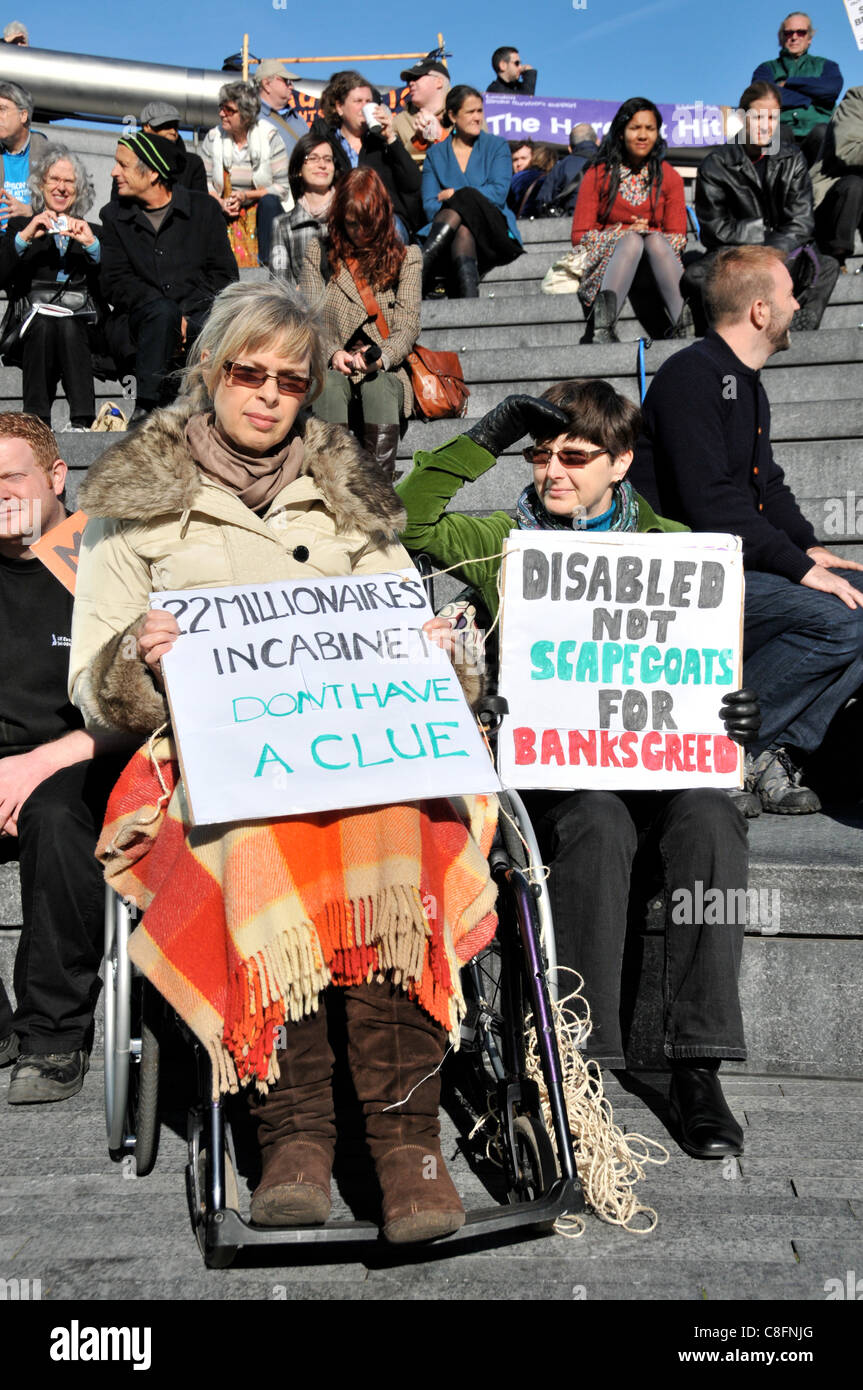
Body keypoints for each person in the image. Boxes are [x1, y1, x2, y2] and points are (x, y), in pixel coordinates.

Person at [68, 280, 498, 1242]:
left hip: (358, 755)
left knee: (398, 828)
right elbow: (92, 687)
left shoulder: (350, 496)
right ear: (209, 370)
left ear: (311, 392)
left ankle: (404, 1143)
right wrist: (135, 657)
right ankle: (292, 1135)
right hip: (214, 764)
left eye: (290, 381)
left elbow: (413, 634)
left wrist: (444, 651)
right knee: (254, 838)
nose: (267, 395)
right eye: (247, 373)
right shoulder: (134, 506)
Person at [397, 383, 759, 1159]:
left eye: (574, 457)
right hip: (560, 780)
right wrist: (486, 437)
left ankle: (696, 1065)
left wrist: (732, 710)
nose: (551, 471)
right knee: (597, 818)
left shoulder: (674, 545)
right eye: (540, 456)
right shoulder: (503, 539)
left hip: (658, 768)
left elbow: (704, 661)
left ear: (620, 463)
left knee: (711, 817)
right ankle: (576, 1055)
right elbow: (408, 518)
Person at [634, 245, 863, 814]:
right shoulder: (692, 376)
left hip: (732, 566)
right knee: (840, 618)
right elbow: (712, 506)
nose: (798, 304)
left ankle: (772, 750)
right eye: (789, 295)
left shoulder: (744, 382)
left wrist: (810, 548)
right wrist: (799, 568)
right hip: (686, 579)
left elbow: (768, 487)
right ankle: (719, 742)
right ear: (760, 310)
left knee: (859, 600)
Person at [0, 414, 132, 1103]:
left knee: (56, 819)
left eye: (11, 477)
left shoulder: (104, 560)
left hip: (86, 752)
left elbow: (140, 707)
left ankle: (53, 1036)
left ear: (56, 477)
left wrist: (36, 766)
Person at [100, 130, 238, 421]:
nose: (113, 172)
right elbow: (116, 282)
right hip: (140, 321)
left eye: (123, 165)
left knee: (213, 325)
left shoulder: (203, 210)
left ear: (152, 173)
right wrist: (171, 315)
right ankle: (145, 409)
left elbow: (223, 276)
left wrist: (185, 317)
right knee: (161, 314)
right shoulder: (113, 216)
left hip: (199, 318)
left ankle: (213, 412)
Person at [299, 167, 421, 482]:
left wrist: (380, 357)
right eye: (351, 223)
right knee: (329, 384)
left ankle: (378, 487)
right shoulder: (319, 253)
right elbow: (310, 317)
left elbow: (407, 326)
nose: (359, 232)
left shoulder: (406, 257)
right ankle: (332, 482)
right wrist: (332, 352)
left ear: (380, 218)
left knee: (378, 385)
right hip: (332, 364)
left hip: (384, 368)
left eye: (366, 223)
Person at [686, 82, 838, 334]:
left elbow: (801, 222)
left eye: (772, 117)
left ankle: (796, 325)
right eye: (757, 117)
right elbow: (715, 230)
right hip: (737, 256)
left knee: (827, 266)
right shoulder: (715, 165)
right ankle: (737, 329)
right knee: (696, 276)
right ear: (742, 118)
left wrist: (772, 251)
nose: (765, 126)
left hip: (783, 254)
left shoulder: (792, 159)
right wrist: (762, 237)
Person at [0, 144, 104, 430]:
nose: (61, 187)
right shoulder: (21, 225)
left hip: (81, 325)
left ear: (78, 190)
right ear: (41, 185)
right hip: (32, 324)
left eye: (68, 181)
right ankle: (36, 422)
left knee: (68, 325)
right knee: (45, 325)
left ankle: (82, 421)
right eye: (54, 179)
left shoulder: (93, 232)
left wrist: (92, 247)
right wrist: (24, 237)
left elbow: (111, 287)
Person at [571, 96, 687, 342]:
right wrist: (623, 233)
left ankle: (685, 329)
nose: (643, 135)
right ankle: (603, 329)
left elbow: (678, 238)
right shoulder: (597, 174)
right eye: (635, 128)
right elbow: (580, 236)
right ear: (621, 132)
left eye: (650, 128)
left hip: (656, 265)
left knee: (654, 241)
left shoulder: (670, 177)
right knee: (632, 241)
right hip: (612, 262)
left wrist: (648, 234)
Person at [420, 85, 524, 299]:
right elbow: (429, 206)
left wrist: (454, 194)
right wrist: (461, 201)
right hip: (449, 237)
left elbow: (498, 193)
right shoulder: (436, 154)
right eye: (470, 112)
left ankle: (420, 266)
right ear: (452, 115)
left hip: (493, 233)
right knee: (463, 229)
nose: (477, 117)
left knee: (464, 197)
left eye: (479, 111)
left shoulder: (497, 146)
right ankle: (469, 301)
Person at [309, 70, 422, 243]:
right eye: (358, 101)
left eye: (368, 102)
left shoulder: (382, 143)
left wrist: (391, 138)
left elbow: (413, 182)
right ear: (339, 107)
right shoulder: (326, 144)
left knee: (392, 231)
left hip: (385, 219)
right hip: (344, 219)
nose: (364, 107)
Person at [201, 80, 291, 267]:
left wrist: (246, 196)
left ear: (246, 114)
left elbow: (282, 188)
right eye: (221, 108)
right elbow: (205, 182)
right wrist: (221, 203)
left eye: (229, 110)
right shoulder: (213, 138)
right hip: (225, 206)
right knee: (207, 205)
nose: (221, 114)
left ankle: (268, 266)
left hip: (261, 210)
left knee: (270, 202)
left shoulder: (270, 137)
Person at [751, 12, 843, 166]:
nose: (794, 37)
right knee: (778, 133)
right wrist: (810, 97)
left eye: (801, 32)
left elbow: (830, 90)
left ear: (809, 38)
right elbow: (763, 98)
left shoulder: (827, 66)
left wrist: (789, 83)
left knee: (823, 132)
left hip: (816, 134)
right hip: (782, 133)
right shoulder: (766, 69)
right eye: (789, 33)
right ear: (782, 37)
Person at [270, 132, 338, 288]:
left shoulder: (348, 214)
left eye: (328, 159)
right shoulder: (283, 225)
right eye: (313, 158)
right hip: (305, 301)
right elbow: (279, 285)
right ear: (299, 168)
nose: (322, 165)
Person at [810, 86, 863, 269]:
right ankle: (837, 260)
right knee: (855, 185)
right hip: (835, 192)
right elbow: (847, 151)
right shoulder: (857, 99)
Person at [0, 81, 47, 231]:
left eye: (2, 110)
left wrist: (30, 212)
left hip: (34, 237)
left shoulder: (46, 153)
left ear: (23, 115)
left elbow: (66, 205)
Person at [393, 55, 450, 172]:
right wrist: (418, 142)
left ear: (439, 82)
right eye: (409, 80)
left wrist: (441, 135)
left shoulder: (465, 111)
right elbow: (396, 166)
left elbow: (479, 156)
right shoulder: (399, 122)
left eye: (417, 77)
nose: (411, 83)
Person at [536, 124, 599, 218]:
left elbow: (543, 201)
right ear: (598, 142)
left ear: (569, 148)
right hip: (605, 224)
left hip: (571, 222)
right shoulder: (611, 163)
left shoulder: (560, 167)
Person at [255, 58, 308, 155]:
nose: (291, 86)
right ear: (266, 84)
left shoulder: (299, 121)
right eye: (287, 81)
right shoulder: (249, 117)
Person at [508, 142, 557, 218]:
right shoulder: (554, 178)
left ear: (533, 158)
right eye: (515, 160)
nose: (519, 163)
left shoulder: (518, 179)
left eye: (523, 158)